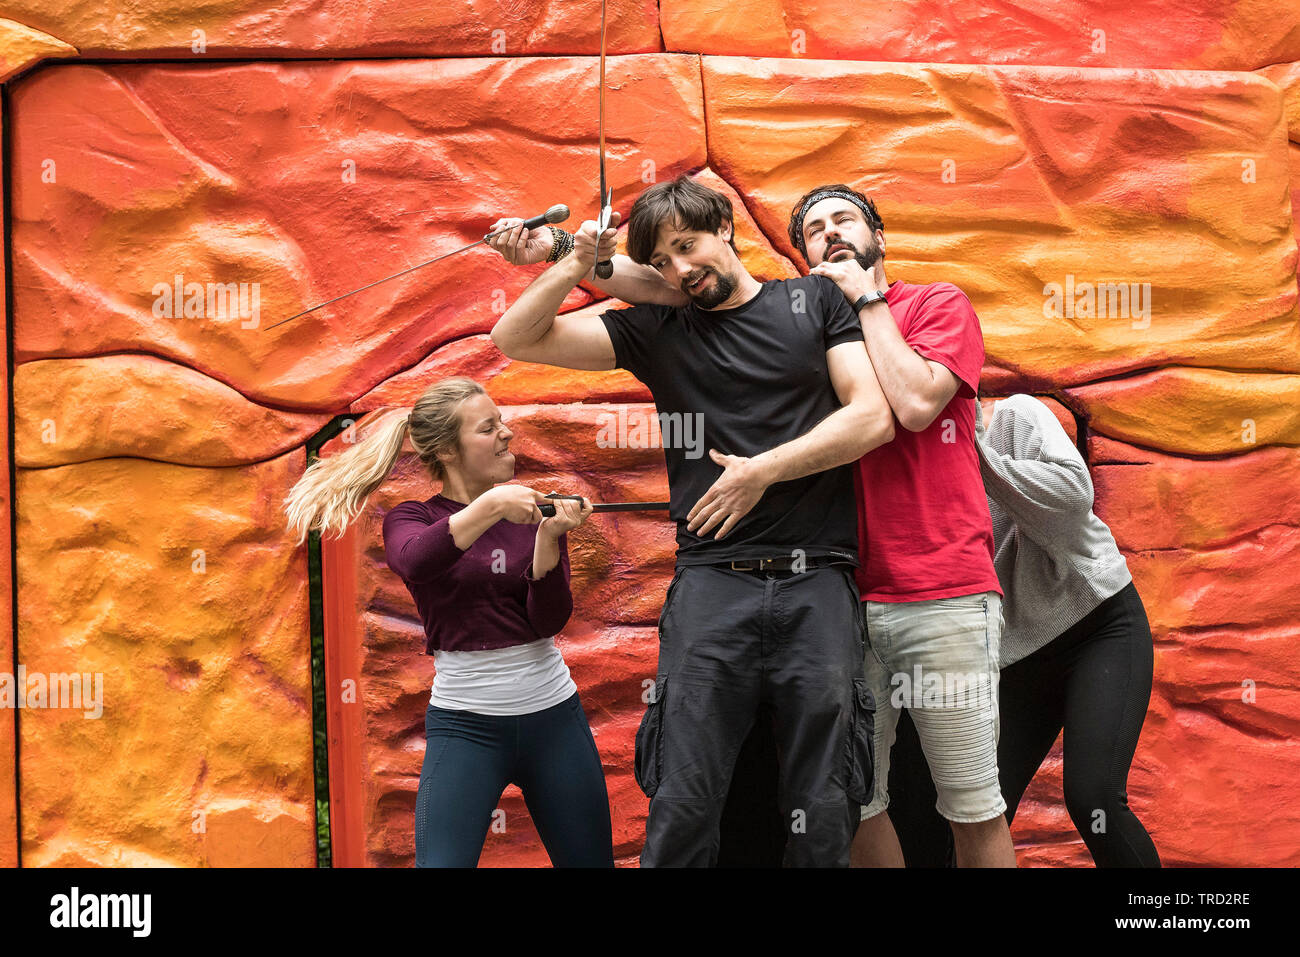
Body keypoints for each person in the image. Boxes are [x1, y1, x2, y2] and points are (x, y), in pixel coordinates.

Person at [489, 174, 895, 867]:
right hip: (712, 583)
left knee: (824, 801)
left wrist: (761, 469)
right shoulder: (658, 327)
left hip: (818, 581)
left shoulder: (815, 299)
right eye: (662, 263)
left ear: (725, 230)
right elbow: (516, 336)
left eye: (688, 246)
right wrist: (574, 260)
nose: (680, 269)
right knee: (684, 795)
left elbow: (872, 416)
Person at [283, 377, 614, 868]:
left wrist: (549, 538)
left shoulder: (533, 514)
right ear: (450, 451)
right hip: (466, 728)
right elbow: (417, 562)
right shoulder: (412, 517)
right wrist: (493, 505)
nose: (506, 434)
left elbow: (548, 620)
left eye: (502, 422)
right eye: (488, 427)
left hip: (554, 719)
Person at [885, 395, 1161, 867]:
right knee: (977, 817)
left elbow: (1074, 497)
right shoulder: (908, 475)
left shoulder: (1015, 416)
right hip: (1014, 661)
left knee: (1093, 798)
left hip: (1097, 626)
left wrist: (976, 457)